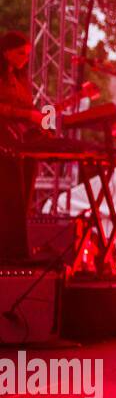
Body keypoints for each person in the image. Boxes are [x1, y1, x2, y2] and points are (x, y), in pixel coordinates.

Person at [0, 32, 41, 264]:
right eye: (20, 53)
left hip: (20, 141)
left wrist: (45, 122)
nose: (25, 58)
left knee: (22, 196)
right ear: (5, 52)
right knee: (9, 196)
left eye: (27, 54)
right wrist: (27, 115)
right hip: (3, 141)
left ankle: (16, 249)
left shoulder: (22, 80)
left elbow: (30, 112)